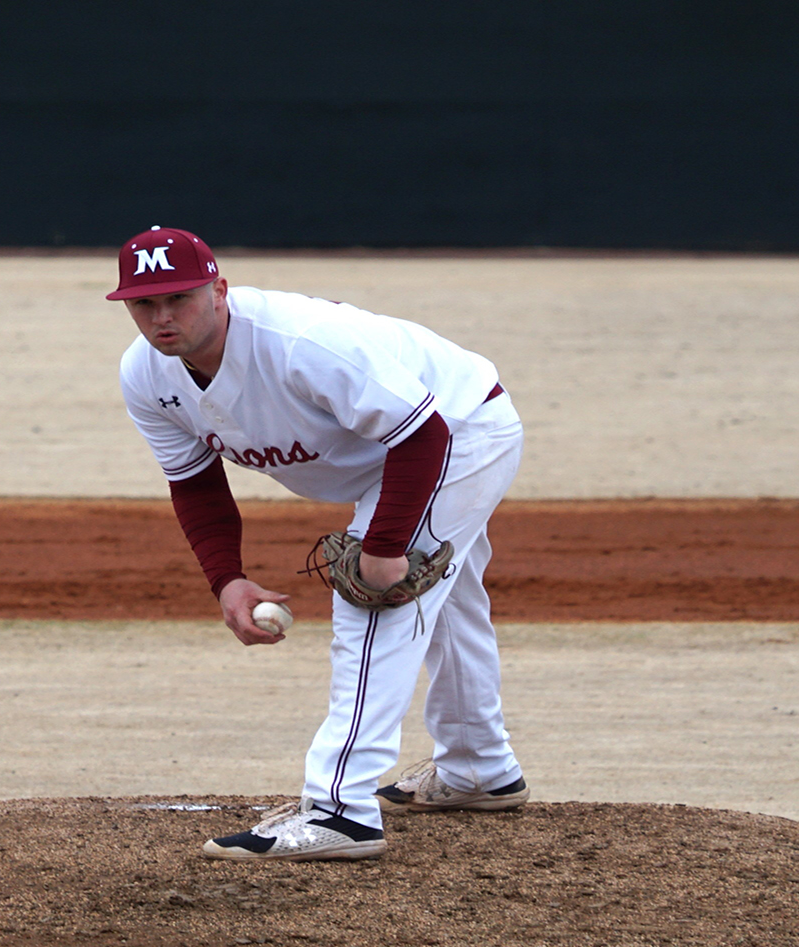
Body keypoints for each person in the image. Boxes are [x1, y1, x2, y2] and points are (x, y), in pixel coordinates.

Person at [109, 226, 529, 861]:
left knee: (371, 600)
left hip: (459, 429)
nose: (163, 317)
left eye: (181, 297)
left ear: (219, 290)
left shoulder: (296, 343)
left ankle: (340, 810)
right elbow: (194, 483)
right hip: (394, 453)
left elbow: (423, 435)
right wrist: (227, 579)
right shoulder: (146, 377)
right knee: (448, 603)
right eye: (145, 303)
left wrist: (384, 547)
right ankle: (478, 768)